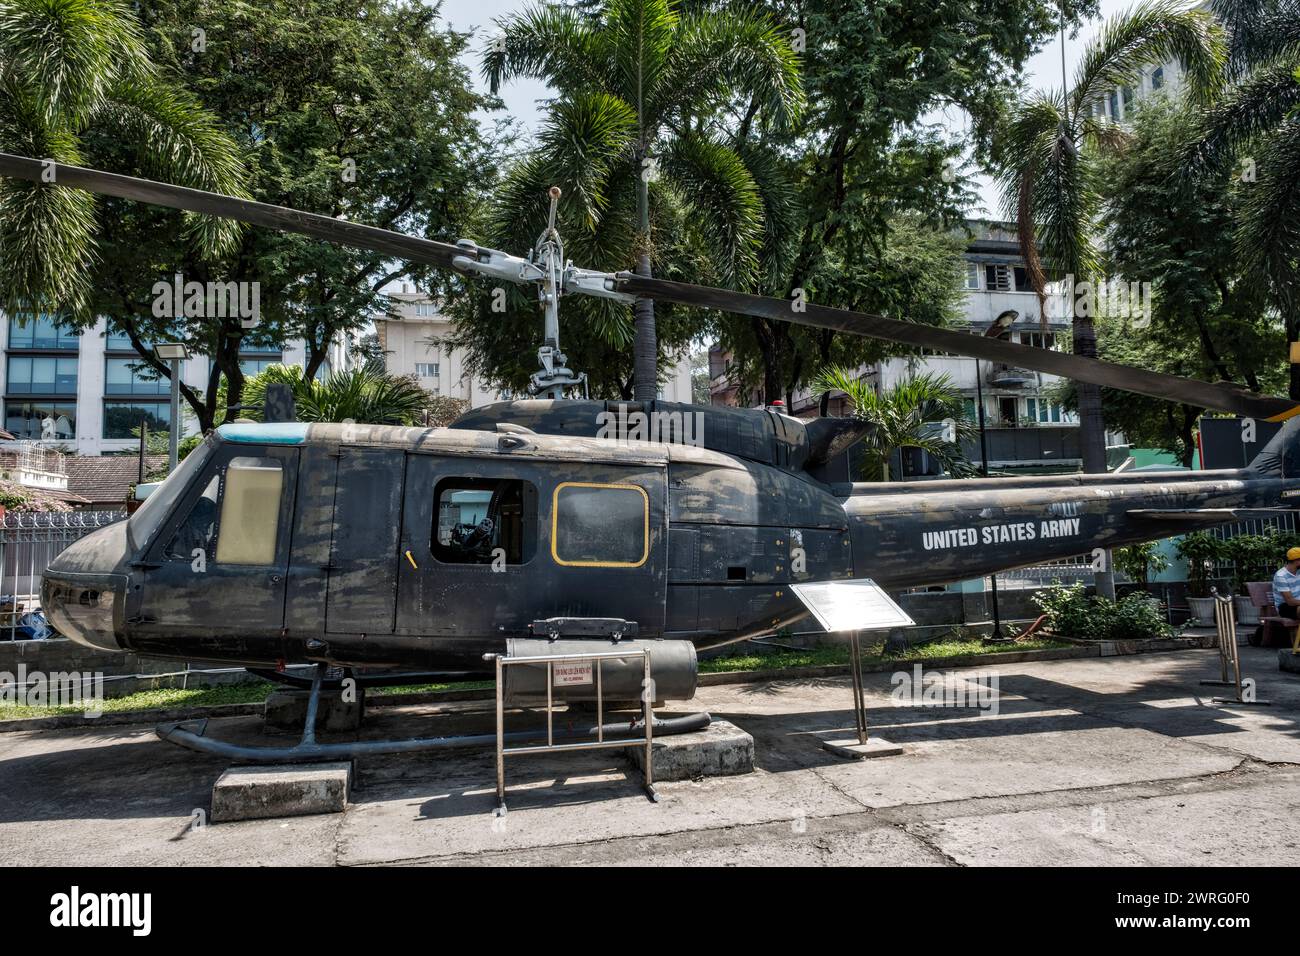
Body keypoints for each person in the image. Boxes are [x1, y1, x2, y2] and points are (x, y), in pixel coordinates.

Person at [1271, 547, 1300, 619]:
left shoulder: (1299, 572)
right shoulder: (1281, 576)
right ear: (1297, 561)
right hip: (1285, 607)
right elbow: (1290, 602)